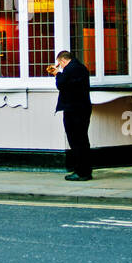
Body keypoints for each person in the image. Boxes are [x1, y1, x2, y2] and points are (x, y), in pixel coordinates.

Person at [48, 50, 92, 181]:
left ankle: (81, 172)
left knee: (76, 140)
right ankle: (84, 170)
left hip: (74, 109)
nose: (60, 66)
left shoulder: (70, 69)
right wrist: (60, 73)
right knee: (82, 140)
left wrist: (57, 73)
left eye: (60, 63)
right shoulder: (80, 67)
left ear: (62, 60)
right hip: (82, 108)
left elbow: (62, 85)